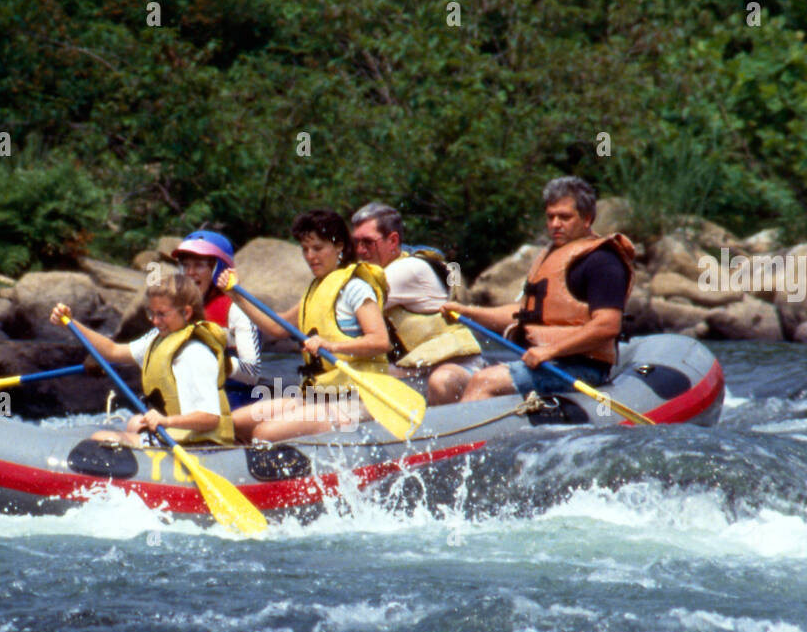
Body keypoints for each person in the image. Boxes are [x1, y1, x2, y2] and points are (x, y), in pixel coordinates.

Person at [438, 176, 634, 403]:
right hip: (542, 361)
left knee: (485, 381)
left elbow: (607, 326)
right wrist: (467, 312)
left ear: (587, 218)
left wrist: (550, 351)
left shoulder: (603, 262)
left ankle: (467, 438)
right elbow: (522, 315)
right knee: (444, 379)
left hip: (581, 368)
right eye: (551, 217)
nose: (555, 224)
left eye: (564, 217)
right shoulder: (551, 255)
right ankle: (438, 437)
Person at [222, 209, 391, 443]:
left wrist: (331, 346)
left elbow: (380, 341)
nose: (310, 256)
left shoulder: (355, 288)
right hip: (318, 396)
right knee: (234, 422)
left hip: (358, 399)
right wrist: (236, 296)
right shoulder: (315, 290)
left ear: (339, 246)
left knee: (264, 433)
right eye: (305, 249)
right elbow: (276, 327)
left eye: (318, 248)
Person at [48, 274, 234, 447]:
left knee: (102, 439)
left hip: (201, 444)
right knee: (134, 424)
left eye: (161, 314)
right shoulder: (159, 339)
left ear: (186, 313)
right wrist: (71, 323)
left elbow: (210, 418)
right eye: (151, 313)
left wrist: (166, 421)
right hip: (177, 434)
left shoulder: (195, 353)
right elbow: (112, 351)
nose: (154, 321)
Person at [349, 202, 483, 405]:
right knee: (350, 382)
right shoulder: (371, 271)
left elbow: (340, 306)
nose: (360, 250)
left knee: (440, 381)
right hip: (416, 372)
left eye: (368, 242)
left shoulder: (408, 269)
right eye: (356, 242)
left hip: (459, 372)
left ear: (393, 240)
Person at [171, 230, 262, 407]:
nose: (190, 272)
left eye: (199, 265)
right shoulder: (176, 308)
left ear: (218, 269)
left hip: (235, 398)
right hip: (194, 396)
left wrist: (212, 361)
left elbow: (253, 371)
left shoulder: (237, 309)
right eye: (186, 265)